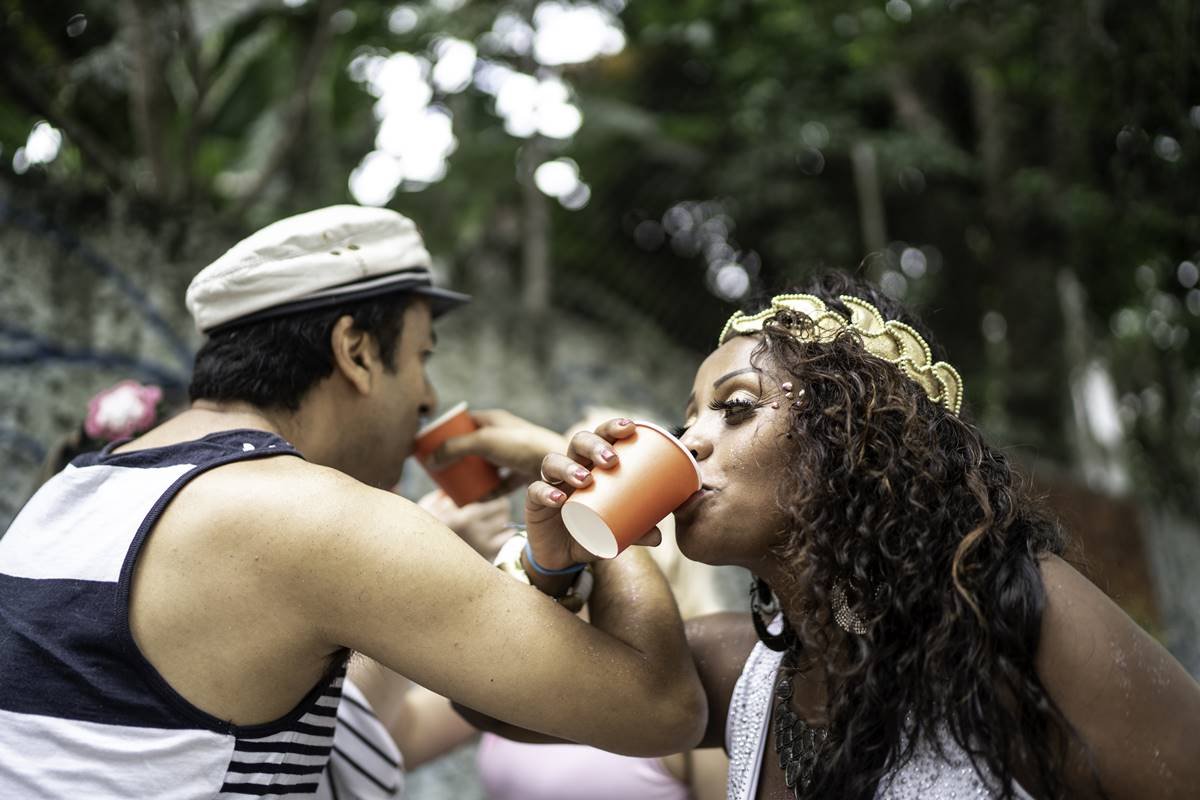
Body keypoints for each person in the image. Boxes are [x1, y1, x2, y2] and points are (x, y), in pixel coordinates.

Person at [0, 205, 705, 798]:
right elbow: (662, 709)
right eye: (423, 356)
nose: (428, 396)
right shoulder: (316, 518)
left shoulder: (69, 493)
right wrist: (599, 491)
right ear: (357, 352)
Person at [470, 272, 1200, 799]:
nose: (687, 438)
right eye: (687, 414)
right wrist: (559, 557)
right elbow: (497, 699)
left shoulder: (1008, 613)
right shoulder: (746, 673)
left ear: (852, 439)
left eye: (735, 408)